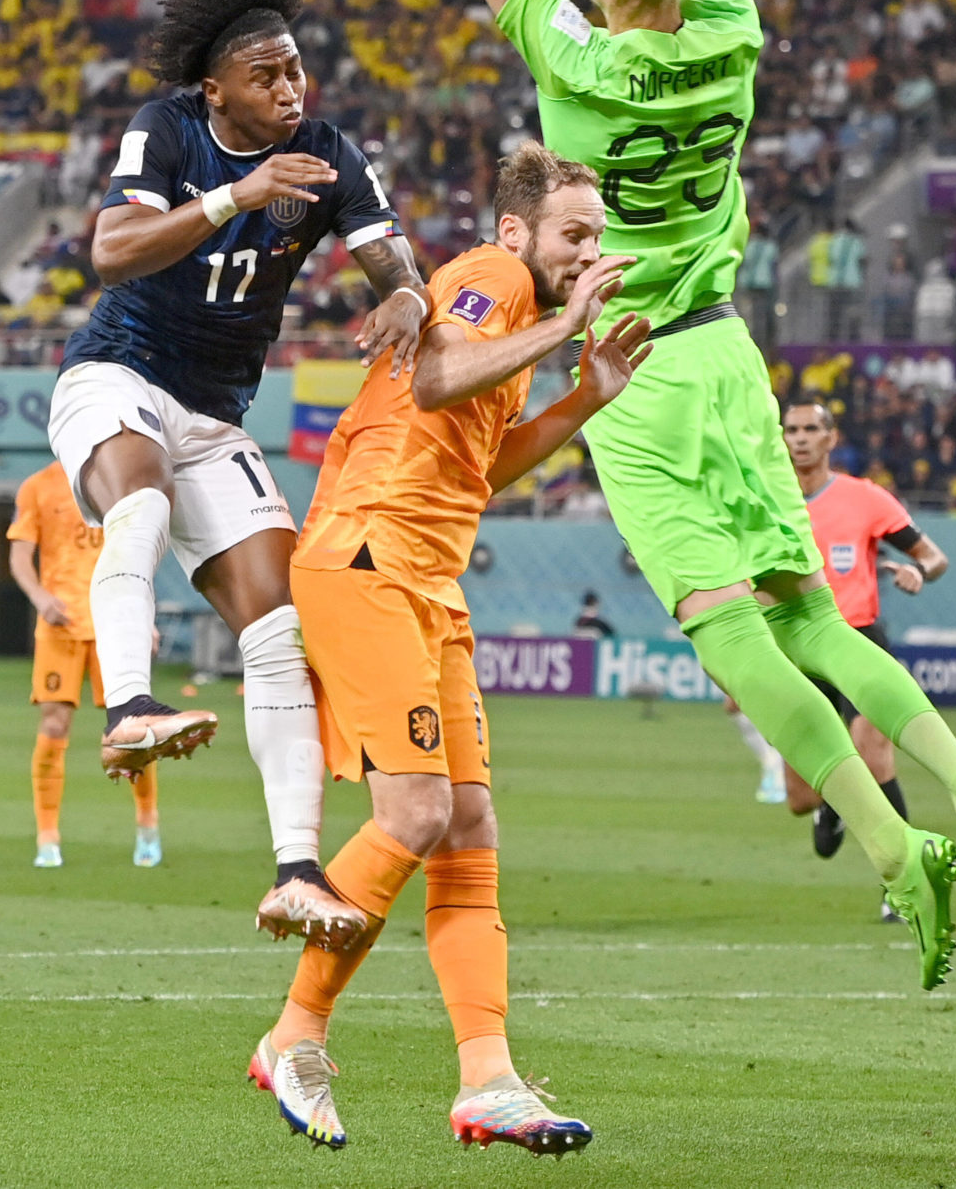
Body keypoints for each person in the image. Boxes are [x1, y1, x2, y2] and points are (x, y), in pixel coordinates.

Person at [438, 0, 956, 990]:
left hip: (637, 367)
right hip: (731, 351)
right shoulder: (732, 25)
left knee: (727, 627)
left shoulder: (577, 64)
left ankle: (897, 846)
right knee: (818, 617)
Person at [254, 142, 648, 1153]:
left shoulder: (520, 315)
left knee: (468, 826)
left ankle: (489, 1080)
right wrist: (565, 324)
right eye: (574, 234)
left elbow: (479, 460)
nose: (588, 252)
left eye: (596, 236)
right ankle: (295, 1031)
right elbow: (432, 380)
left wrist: (583, 391)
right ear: (517, 230)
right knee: (420, 811)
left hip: (430, 577)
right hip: (369, 557)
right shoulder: (491, 277)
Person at [47, 0, 429, 947]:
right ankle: (128, 705)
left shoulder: (329, 153)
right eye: (266, 76)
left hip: (217, 415)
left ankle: (295, 873)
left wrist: (403, 294)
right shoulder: (167, 127)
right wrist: (236, 196)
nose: (289, 89)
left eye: (296, 70)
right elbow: (113, 252)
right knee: (139, 503)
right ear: (216, 88)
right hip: (116, 375)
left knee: (280, 635)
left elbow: (397, 263)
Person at [776, 398, 949, 908]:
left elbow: (933, 556)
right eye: (792, 429)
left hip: (858, 641)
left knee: (875, 758)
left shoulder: (865, 499)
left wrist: (921, 572)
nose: (800, 438)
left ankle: (903, 884)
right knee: (799, 797)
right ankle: (831, 805)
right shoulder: (768, 498)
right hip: (794, 647)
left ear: (831, 438)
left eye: (812, 429)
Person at [7, 460, 160, 869]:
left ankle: (147, 826)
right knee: (54, 726)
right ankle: (47, 837)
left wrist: (145, 615)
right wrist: (40, 599)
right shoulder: (37, 486)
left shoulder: (119, 476)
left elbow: (139, 551)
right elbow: (20, 556)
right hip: (60, 626)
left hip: (116, 623)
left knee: (129, 731)